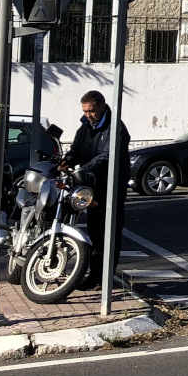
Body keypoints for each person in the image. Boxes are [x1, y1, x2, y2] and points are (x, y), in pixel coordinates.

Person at [69, 91, 130, 291]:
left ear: (102, 106)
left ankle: (105, 278)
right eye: (85, 111)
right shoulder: (85, 126)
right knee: (94, 232)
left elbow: (108, 155)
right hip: (92, 187)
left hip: (112, 187)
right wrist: (67, 160)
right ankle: (94, 276)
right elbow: (77, 148)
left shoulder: (116, 128)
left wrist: (84, 169)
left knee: (109, 233)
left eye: (92, 111)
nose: (88, 115)